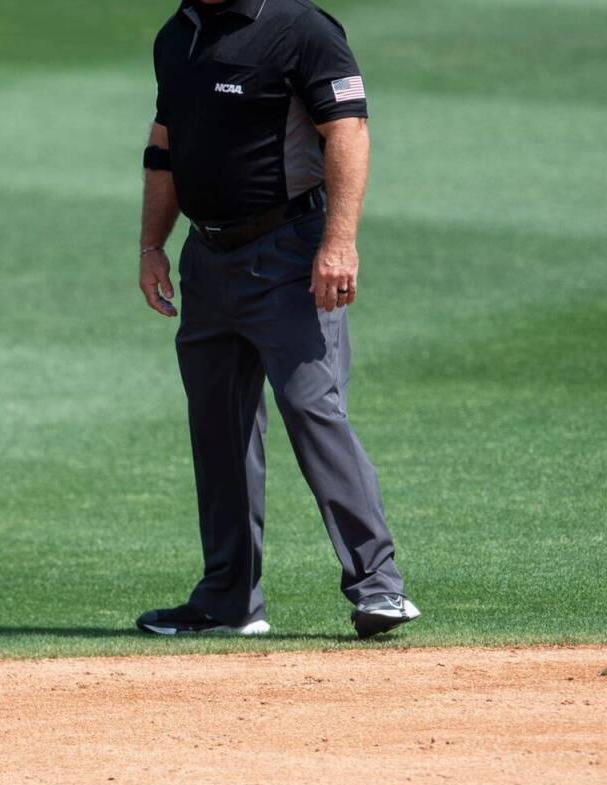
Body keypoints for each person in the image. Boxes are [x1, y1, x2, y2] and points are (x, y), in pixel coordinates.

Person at [134, 0, 420, 638]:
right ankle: (229, 599)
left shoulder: (301, 29)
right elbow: (165, 145)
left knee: (312, 408)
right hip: (207, 260)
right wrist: (152, 244)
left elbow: (347, 129)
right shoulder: (177, 35)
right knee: (218, 427)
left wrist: (339, 243)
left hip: (288, 252)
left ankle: (379, 588)